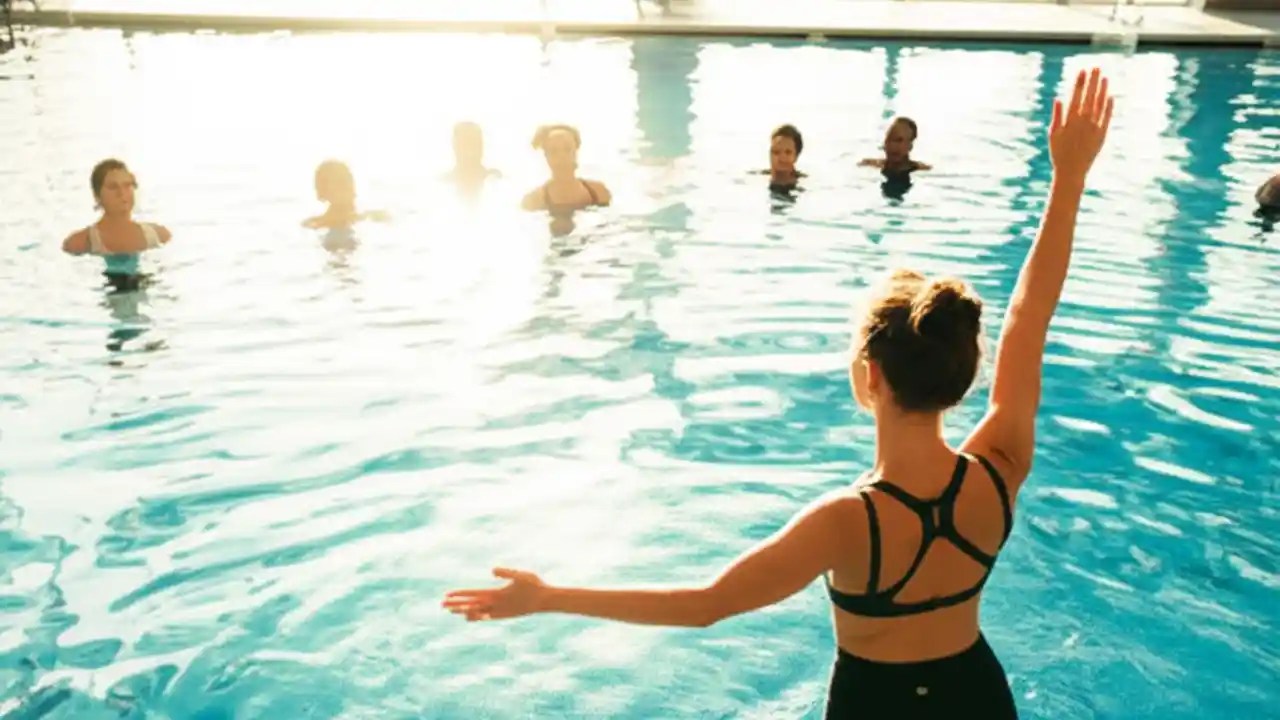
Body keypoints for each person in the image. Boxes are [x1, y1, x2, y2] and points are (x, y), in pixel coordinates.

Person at [444, 67, 1115, 718]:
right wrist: (1069, 180)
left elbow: (703, 604)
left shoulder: (846, 522)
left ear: (868, 376)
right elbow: (1031, 318)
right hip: (978, 697)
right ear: (961, 372)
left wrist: (549, 596)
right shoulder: (998, 473)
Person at [62, 158, 172, 292]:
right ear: (97, 196)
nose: (122, 193)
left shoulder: (159, 235)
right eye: (113, 187)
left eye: (127, 185)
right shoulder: (79, 242)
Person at [520, 124, 611, 214]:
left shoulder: (599, 192)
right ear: (546, 156)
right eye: (554, 151)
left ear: (576, 151)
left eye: (567, 149)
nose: (562, 156)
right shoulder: (533, 201)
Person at [303, 159, 387, 229]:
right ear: (322, 192)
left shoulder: (377, 217)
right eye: (341, 183)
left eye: (349, 181)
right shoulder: (313, 225)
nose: (349, 187)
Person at [859, 117, 932, 175]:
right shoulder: (867, 164)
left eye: (899, 140)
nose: (893, 146)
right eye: (890, 139)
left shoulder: (924, 171)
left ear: (910, 146)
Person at [444, 121, 501, 194]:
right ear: (455, 146)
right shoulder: (443, 186)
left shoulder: (496, 180)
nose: (470, 151)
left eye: (475, 143)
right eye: (465, 144)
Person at [761, 123, 806, 194]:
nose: (782, 158)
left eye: (788, 152)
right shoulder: (756, 179)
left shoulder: (805, 184)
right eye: (776, 152)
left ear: (796, 156)